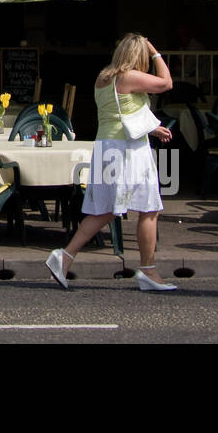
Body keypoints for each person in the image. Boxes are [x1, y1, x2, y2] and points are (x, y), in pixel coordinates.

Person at [45, 34, 175, 292]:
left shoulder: (104, 78)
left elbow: (120, 114)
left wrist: (152, 129)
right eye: (144, 56)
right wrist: (155, 51)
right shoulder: (129, 76)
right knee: (149, 208)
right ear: (138, 56)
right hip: (128, 151)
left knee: (103, 210)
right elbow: (166, 83)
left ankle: (64, 257)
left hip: (105, 148)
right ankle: (148, 270)